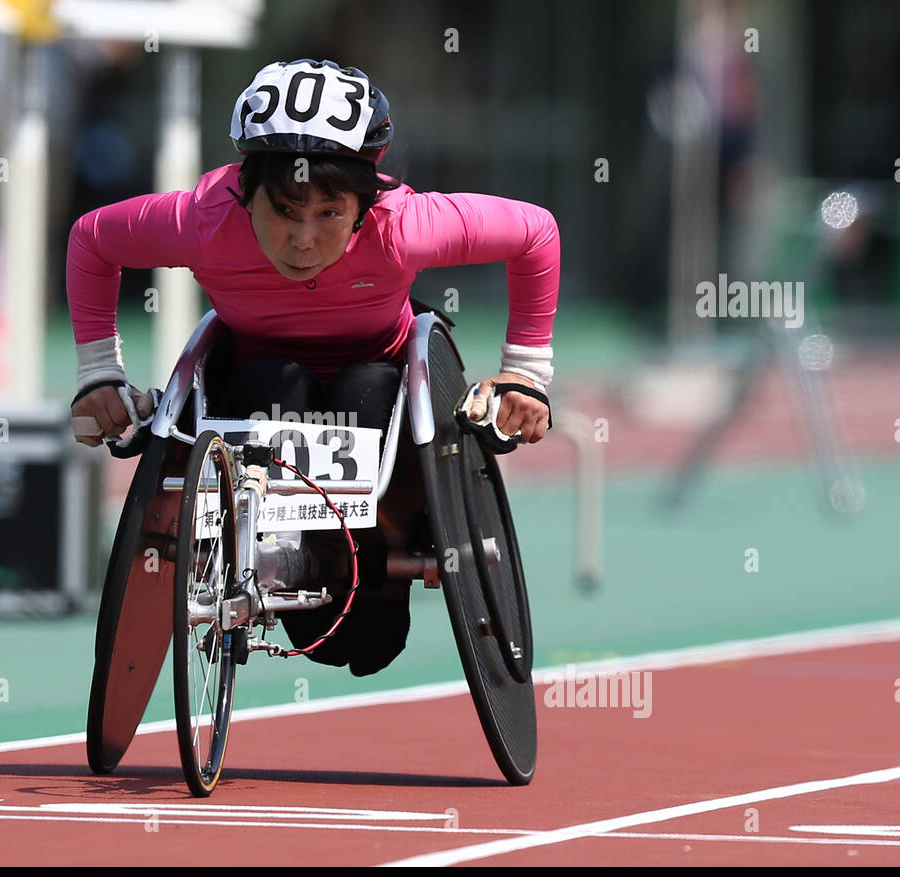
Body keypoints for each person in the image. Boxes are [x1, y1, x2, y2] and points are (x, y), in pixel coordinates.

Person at [68, 59, 559, 676]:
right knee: (279, 381)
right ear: (244, 193)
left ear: (364, 207)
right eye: (284, 210)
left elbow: (537, 234)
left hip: (382, 402)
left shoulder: (403, 226)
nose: (303, 240)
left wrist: (524, 373)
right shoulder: (203, 219)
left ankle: (377, 554)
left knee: (365, 385)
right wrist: (98, 375)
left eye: (329, 214)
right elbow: (92, 240)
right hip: (257, 393)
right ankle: (288, 553)